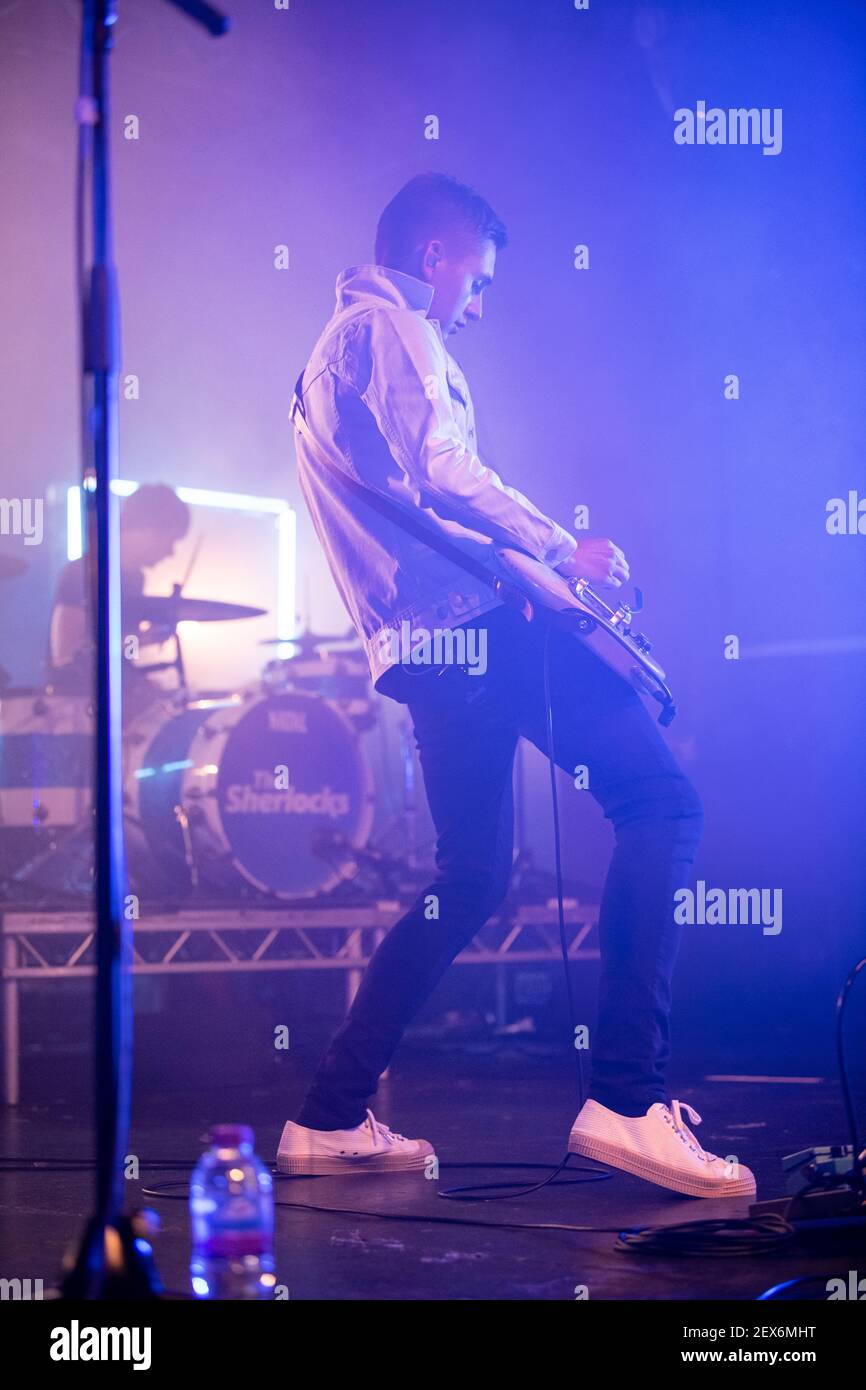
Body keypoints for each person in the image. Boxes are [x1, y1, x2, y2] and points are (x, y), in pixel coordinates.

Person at [279, 174, 755, 1199]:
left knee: (471, 876)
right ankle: (627, 1100)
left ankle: (325, 1116)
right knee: (661, 805)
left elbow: (408, 498)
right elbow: (446, 471)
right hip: (480, 627)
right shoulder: (391, 326)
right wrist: (560, 548)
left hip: (422, 649)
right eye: (478, 280)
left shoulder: (324, 361)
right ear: (437, 257)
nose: (480, 306)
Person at [48, 482, 191, 689]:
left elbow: (126, 652)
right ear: (148, 529)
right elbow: (65, 656)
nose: (171, 552)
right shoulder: (82, 572)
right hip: (76, 702)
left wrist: (143, 639)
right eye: (170, 540)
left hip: (113, 694)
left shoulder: (135, 579)